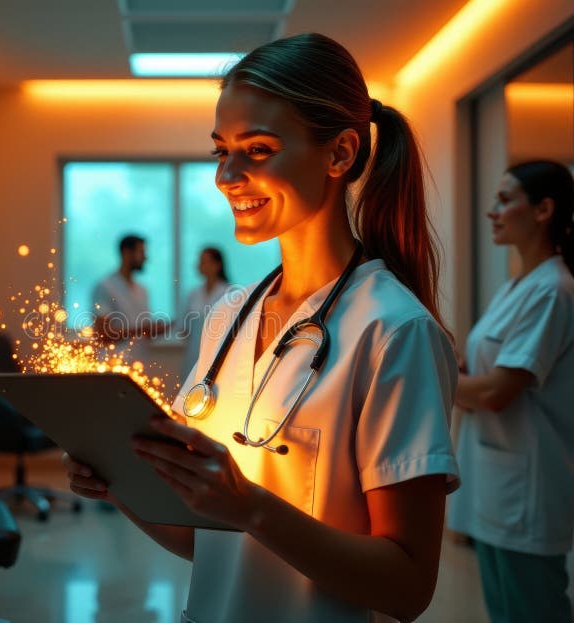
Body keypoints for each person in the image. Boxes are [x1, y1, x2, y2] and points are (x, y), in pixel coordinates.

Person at [66, 33, 460, 622]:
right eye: (220, 150)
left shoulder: (393, 331)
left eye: (257, 149)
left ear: (340, 154)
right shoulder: (227, 317)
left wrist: (249, 506)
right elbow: (206, 540)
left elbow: (407, 588)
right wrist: (117, 482)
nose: (226, 176)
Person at [447, 160, 574, 623]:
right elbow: (482, 379)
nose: (492, 212)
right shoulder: (516, 287)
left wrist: (439, 376)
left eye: (504, 200)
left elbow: (496, 392)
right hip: (496, 479)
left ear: (543, 210)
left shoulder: (553, 291)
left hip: (529, 489)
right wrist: (460, 375)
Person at [92, 234, 166, 365]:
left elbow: (144, 331)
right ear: (126, 253)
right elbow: (103, 334)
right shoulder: (106, 287)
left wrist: (155, 329)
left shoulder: (142, 290)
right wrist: (142, 329)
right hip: (114, 364)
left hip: (139, 362)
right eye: (141, 252)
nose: (145, 258)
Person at [178, 247, 233, 380]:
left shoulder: (230, 292)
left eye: (204, 261)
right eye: (200, 261)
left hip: (217, 353)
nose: (199, 265)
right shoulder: (194, 293)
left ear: (217, 265)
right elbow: (184, 329)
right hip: (193, 354)